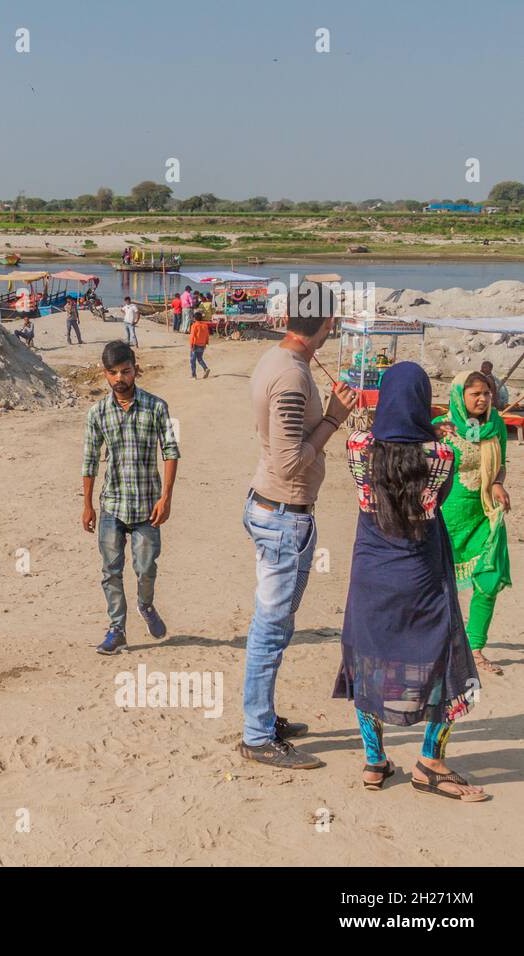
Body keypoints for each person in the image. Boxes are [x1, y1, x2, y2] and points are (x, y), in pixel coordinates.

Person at [334, 363, 486, 801]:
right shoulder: (441, 455)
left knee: (369, 660)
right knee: (446, 661)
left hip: (371, 574)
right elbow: (435, 501)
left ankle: (374, 761)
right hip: (420, 574)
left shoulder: (359, 446)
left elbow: (369, 448)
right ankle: (430, 763)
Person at [240, 290, 358, 769]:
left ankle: (262, 718)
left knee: (273, 624)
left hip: (272, 509)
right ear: (327, 322)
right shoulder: (290, 375)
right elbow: (290, 463)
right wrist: (333, 418)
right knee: (270, 629)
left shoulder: (280, 357)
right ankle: (255, 735)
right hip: (283, 514)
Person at [81, 340, 180, 655]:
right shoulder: (97, 413)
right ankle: (116, 629)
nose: (119, 378)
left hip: (147, 506)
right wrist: (87, 505)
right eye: (113, 373)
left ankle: (146, 605)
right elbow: (89, 460)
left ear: (135, 369)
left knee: (146, 567)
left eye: (125, 371)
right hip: (112, 505)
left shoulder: (156, 407)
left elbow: (171, 452)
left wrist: (166, 498)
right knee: (111, 570)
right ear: (105, 374)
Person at [435, 371, 512, 675]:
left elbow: (501, 465)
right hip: (445, 517)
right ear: (459, 396)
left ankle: (475, 648)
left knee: (488, 579)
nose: (482, 399)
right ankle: (440, 645)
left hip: (484, 515)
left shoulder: (497, 427)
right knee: (441, 584)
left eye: (487, 394)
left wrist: (497, 483)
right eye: (475, 394)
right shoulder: (441, 428)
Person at [188, 309, 211, 378]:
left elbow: (192, 336)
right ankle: (205, 368)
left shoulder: (194, 325)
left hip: (195, 344)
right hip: (202, 344)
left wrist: (191, 345)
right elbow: (207, 335)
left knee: (192, 360)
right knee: (200, 358)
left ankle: (194, 375)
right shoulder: (205, 325)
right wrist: (206, 343)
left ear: (194, 318)